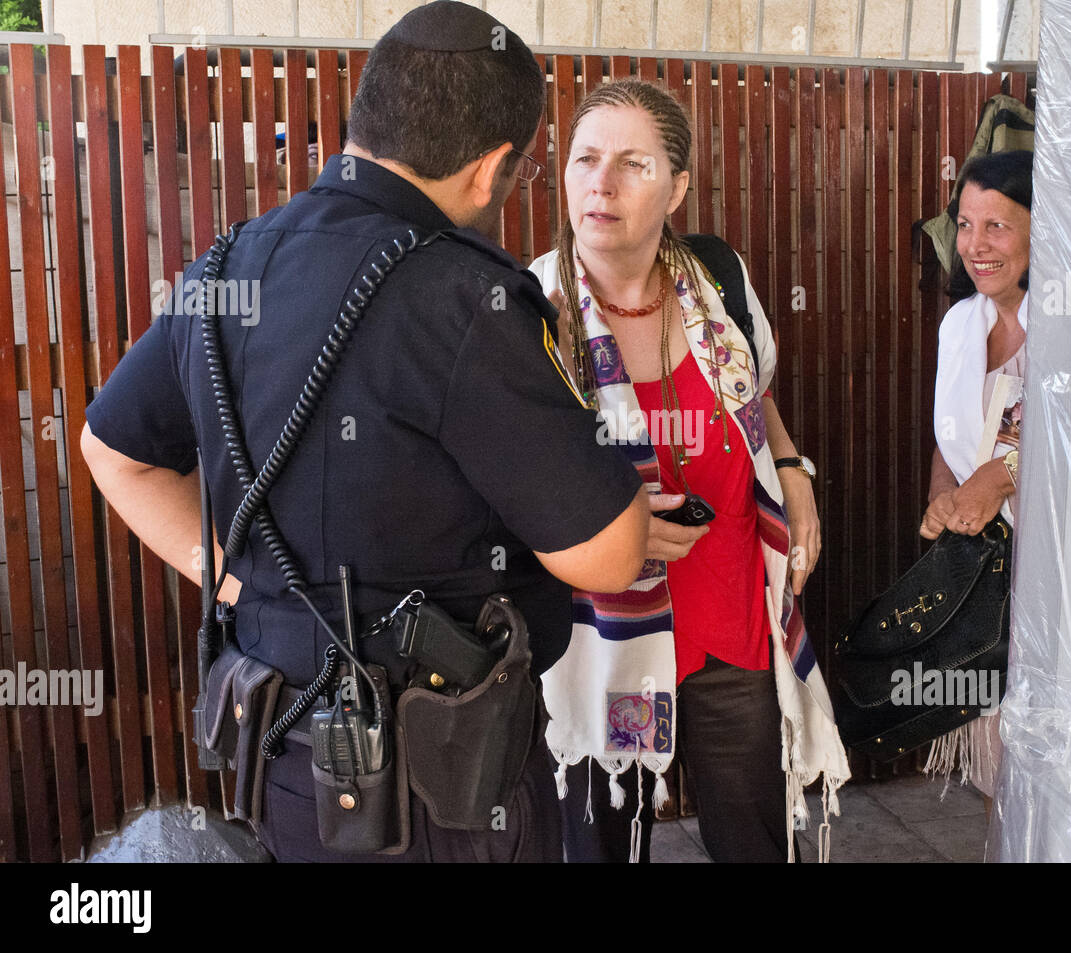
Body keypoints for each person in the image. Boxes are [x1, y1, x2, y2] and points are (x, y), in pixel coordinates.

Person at [79, 1, 649, 862]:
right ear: (493, 165)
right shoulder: (469, 298)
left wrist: (233, 580)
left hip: (282, 774)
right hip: (447, 795)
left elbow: (111, 451)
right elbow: (607, 554)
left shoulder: (223, 269)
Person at [528, 79, 850, 863]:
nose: (600, 182)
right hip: (603, 633)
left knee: (752, 840)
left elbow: (755, 395)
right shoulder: (528, 308)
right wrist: (608, 532)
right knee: (606, 841)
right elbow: (507, 486)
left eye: (633, 164)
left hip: (732, 618)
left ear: (677, 187)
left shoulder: (718, 280)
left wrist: (792, 467)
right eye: (584, 159)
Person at [919, 150, 1033, 809]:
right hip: (981, 578)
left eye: (998, 226)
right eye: (965, 224)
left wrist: (1004, 474)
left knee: (1047, 745)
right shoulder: (961, 324)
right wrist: (943, 494)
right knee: (993, 743)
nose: (975, 246)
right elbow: (949, 436)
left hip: (1056, 575)